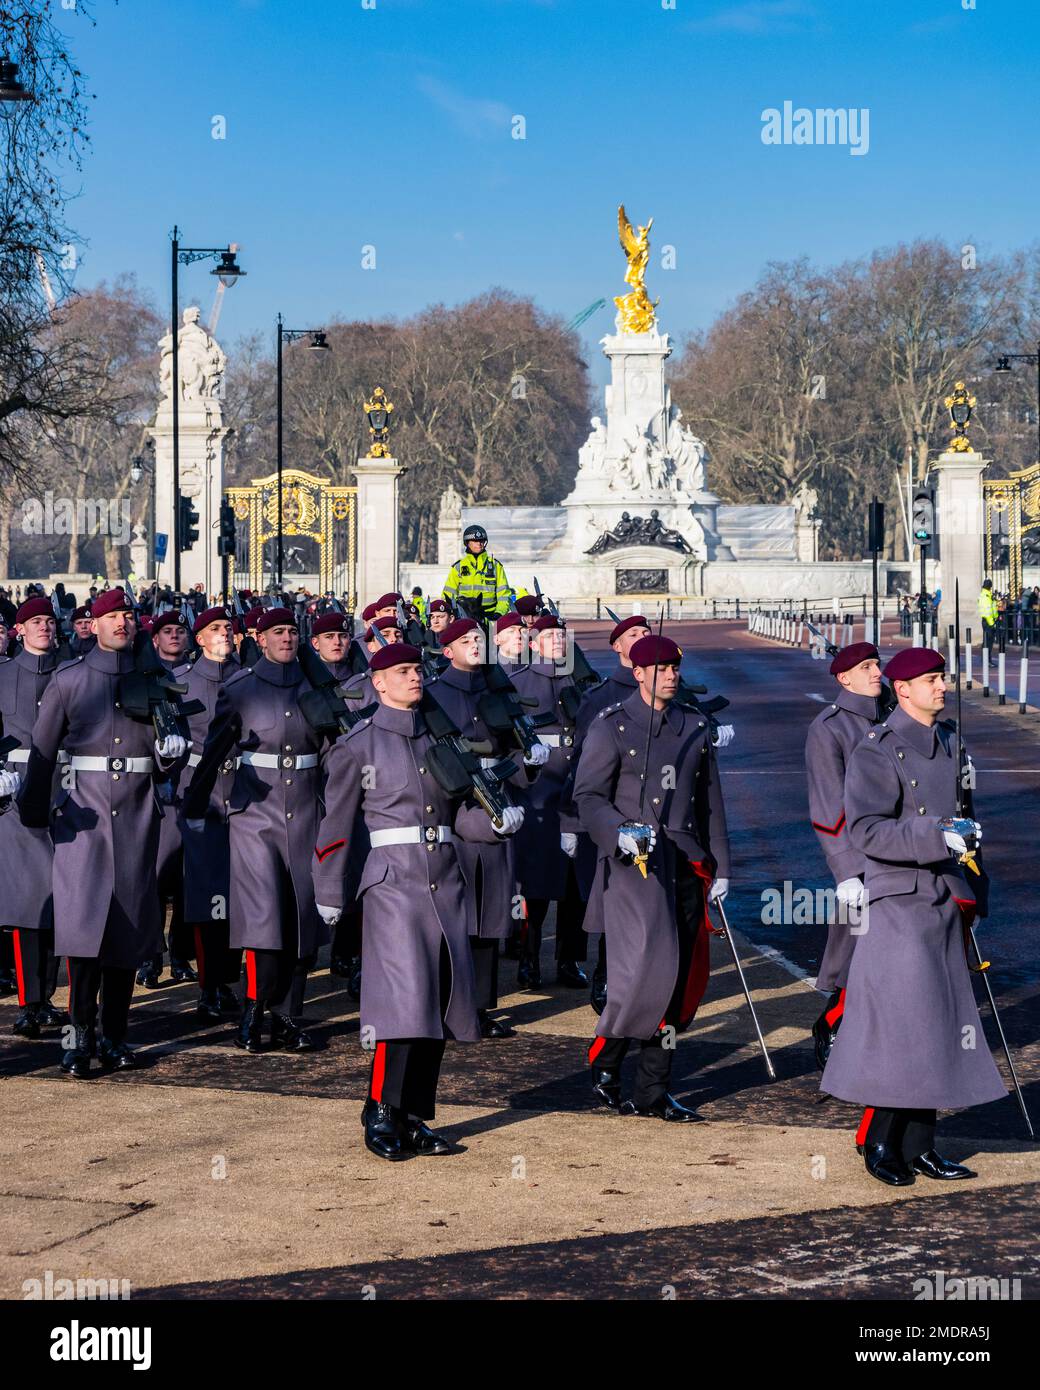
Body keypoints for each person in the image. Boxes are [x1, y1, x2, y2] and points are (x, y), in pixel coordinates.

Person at [312, 641, 524, 1160]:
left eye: (415, 670)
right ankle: (381, 1109)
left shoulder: (440, 737)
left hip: (444, 879)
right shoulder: (358, 745)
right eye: (402, 671)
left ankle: (413, 1116)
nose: (414, 678)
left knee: (439, 999)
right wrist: (329, 888)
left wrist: (495, 824)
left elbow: (459, 814)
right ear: (378, 682)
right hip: (393, 885)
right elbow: (335, 825)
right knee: (401, 1004)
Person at [821, 646, 1006, 1185]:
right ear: (902, 690)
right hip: (899, 899)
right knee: (904, 1026)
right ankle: (880, 1142)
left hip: (947, 895)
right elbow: (867, 830)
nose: (941, 686)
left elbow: (967, 818)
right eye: (930, 680)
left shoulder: (951, 740)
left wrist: (977, 882)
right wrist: (934, 835)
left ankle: (921, 1145)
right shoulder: (876, 749)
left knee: (940, 1026)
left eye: (942, 677)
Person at [17, 588, 187, 1077]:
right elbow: (44, 752)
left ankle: (114, 1036)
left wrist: (169, 752)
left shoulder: (155, 677)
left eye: (129, 616)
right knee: (82, 935)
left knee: (126, 937)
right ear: (94, 622)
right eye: (114, 616)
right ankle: (76, 1038)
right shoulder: (70, 680)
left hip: (136, 816)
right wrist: (35, 811)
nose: (123, 622)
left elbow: (170, 741)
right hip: (82, 821)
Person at [573, 633, 730, 1121]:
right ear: (637, 673)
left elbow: (711, 804)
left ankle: (653, 1090)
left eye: (674, 669)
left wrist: (721, 865)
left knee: (681, 979)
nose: (670, 675)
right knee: (644, 974)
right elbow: (588, 797)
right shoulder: (612, 726)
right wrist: (618, 832)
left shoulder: (694, 725)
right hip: (633, 867)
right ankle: (607, 1055)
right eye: (659, 669)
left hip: (685, 861)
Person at [183, 607, 328, 1054]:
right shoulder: (241, 687)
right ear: (259, 639)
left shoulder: (316, 688)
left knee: (302, 916)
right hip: (256, 814)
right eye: (277, 632)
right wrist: (195, 802)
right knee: (264, 918)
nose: (286, 638)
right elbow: (215, 749)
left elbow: (336, 750)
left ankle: (287, 1016)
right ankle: (253, 1010)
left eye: (291, 631)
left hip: (305, 810)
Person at [427, 617, 549, 1038]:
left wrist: (528, 763)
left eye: (479, 637)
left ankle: (479, 1007)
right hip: (455, 806)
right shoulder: (433, 695)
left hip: (497, 798)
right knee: (455, 915)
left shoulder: (498, 689)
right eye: (465, 640)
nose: (475, 644)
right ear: (448, 650)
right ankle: (446, 1006)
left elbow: (513, 746)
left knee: (490, 912)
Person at [804, 641, 885, 1068]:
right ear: (843, 678)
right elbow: (827, 803)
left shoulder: (893, 715)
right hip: (863, 860)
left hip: (903, 850)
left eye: (877, 664)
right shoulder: (830, 727)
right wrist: (846, 869)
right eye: (868, 667)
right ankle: (834, 1024)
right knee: (857, 952)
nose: (877, 672)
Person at [511, 615, 591, 990]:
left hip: (576, 789)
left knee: (576, 886)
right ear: (534, 642)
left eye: (562, 634)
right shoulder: (517, 683)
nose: (558, 640)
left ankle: (570, 960)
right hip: (538, 790)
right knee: (536, 884)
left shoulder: (581, 678)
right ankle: (528, 959)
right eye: (549, 635)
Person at [0, 598, 67, 1037]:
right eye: (35, 622)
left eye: (48, 621)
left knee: (63, 901)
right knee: (27, 901)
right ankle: (30, 1000)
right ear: (19, 630)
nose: (44, 627)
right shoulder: (2, 673)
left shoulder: (73, 672)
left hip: (67, 789)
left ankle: (49, 998)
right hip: (16, 791)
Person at [177, 607, 241, 1022]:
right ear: (199, 639)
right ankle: (209, 984)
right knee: (206, 897)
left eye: (228, 628)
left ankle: (231, 981)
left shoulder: (249, 679)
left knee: (242, 894)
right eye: (215, 629)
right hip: (200, 794)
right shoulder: (180, 683)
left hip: (244, 793)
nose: (224, 634)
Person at [443, 525, 510, 619]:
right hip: (463, 617)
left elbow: (504, 595)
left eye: (482, 540)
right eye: (475, 541)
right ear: (467, 543)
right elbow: (448, 595)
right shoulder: (458, 567)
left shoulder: (496, 566)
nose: (479, 543)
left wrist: (499, 613)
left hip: (490, 617)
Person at [978, 579, 997, 653]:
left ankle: (987, 659)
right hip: (988, 621)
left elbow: (992, 609)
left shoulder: (987, 595)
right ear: (989, 587)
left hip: (987, 620)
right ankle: (987, 660)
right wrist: (992, 624)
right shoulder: (986, 596)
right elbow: (988, 612)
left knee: (987, 641)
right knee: (988, 642)